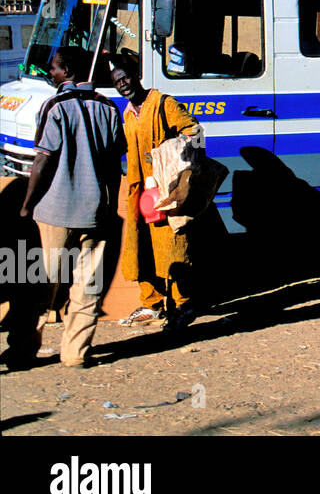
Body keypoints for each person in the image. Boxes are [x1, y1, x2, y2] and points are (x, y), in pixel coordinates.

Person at [12, 47, 125, 368]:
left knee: (39, 284)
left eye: (55, 68)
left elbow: (43, 160)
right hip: (97, 212)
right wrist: (107, 205)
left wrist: (27, 204)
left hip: (55, 211)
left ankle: (22, 351)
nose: (51, 72)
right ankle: (75, 354)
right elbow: (114, 165)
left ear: (69, 72)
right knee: (89, 287)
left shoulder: (56, 107)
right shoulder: (108, 108)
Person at [110, 52, 205, 331]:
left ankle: (183, 304)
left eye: (126, 77)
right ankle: (152, 303)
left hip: (166, 190)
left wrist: (181, 171)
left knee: (173, 246)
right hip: (140, 193)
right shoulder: (127, 113)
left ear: (137, 76)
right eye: (117, 82)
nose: (123, 84)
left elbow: (194, 131)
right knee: (141, 246)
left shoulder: (163, 103)